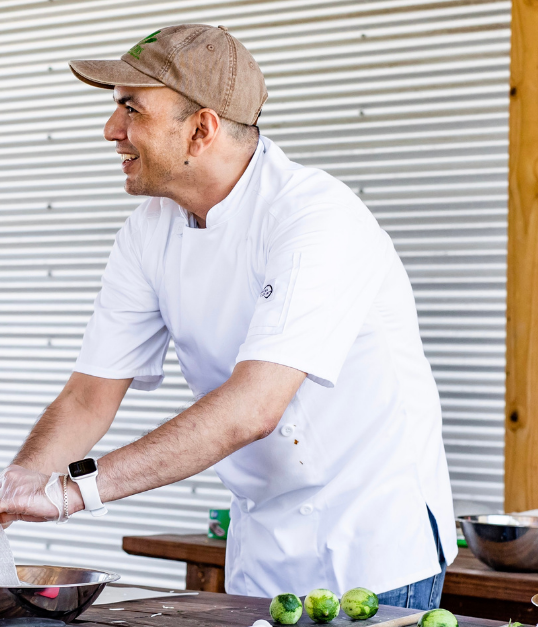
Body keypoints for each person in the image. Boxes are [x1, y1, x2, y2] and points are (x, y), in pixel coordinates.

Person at [0, 24, 456, 607]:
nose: (111, 130)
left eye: (130, 109)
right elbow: (89, 396)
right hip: (262, 546)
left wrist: (71, 493)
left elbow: (252, 408)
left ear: (201, 128)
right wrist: (17, 490)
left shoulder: (316, 218)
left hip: (371, 546)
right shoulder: (148, 232)